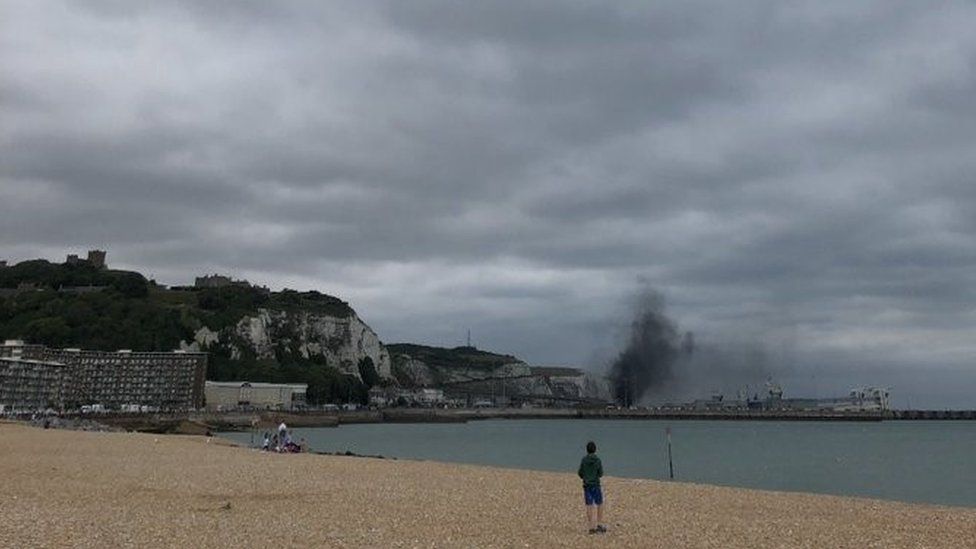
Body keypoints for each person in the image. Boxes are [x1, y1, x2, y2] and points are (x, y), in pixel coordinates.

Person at [578, 440, 606, 534]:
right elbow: (601, 473)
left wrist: (585, 477)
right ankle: (599, 524)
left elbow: (580, 473)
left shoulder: (584, 460)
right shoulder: (597, 460)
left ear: (587, 450)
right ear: (595, 450)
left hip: (587, 485)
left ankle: (591, 527)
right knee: (600, 503)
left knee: (589, 505)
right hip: (595, 485)